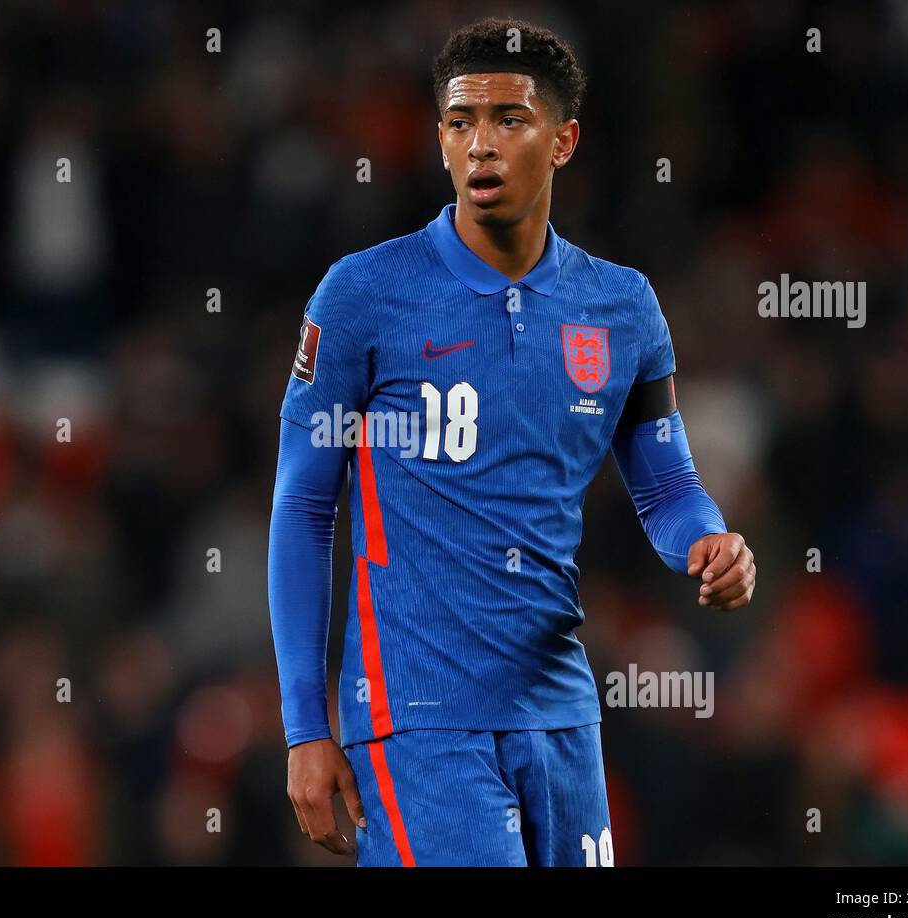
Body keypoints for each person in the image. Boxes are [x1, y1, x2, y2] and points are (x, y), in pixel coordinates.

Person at [268, 16, 756, 866]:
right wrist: (307, 727)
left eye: (508, 120)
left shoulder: (621, 307)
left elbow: (665, 486)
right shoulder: (364, 296)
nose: (479, 146)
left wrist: (708, 541)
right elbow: (305, 505)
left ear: (563, 140)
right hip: (417, 719)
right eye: (461, 123)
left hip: (562, 713)